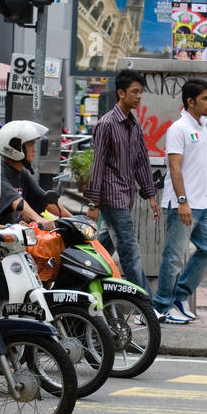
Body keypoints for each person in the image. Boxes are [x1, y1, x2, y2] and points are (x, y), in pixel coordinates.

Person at [86, 70, 160, 294]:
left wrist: (150, 195)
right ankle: (143, 304)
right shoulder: (106, 124)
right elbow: (97, 164)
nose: (139, 97)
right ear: (121, 93)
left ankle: (83, 280)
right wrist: (93, 203)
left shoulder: (133, 125)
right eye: (135, 92)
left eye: (141, 92)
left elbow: (141, 162)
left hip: (126, 195)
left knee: (102, 248)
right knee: (129, 249)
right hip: (112, 195)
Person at [152, 78, 207, 324]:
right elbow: (175, 167)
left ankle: (179, 297)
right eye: (205, 99)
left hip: (203, 203)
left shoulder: (202, 126)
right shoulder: (178, 129)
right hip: (182, 203)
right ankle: (161, 307)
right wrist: (182, 201)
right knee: (174, 256)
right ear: (190, 101)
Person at [0, 121, 61, 228]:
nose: (34, 149)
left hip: (11, 235)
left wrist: (74, 219)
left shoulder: (22, 173)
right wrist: (38, 218)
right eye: (31, 144)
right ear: (16, 147)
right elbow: (16, 201)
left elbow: (45, 200)